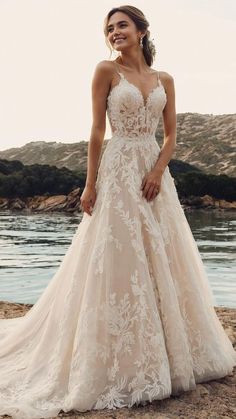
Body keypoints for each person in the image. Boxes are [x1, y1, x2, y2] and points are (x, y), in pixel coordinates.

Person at [0, 5, 235, 419]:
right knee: (119, 255)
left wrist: (160, 170)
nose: (114, 33)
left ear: (142, 30)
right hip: (119, 167)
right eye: (109, 29)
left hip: (153, 172)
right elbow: (95, 130)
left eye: (122, 25)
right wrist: (90, 183)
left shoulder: (165, 79)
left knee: (163, 255)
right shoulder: (105, 72)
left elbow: (172, 134)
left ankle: (171, 350)